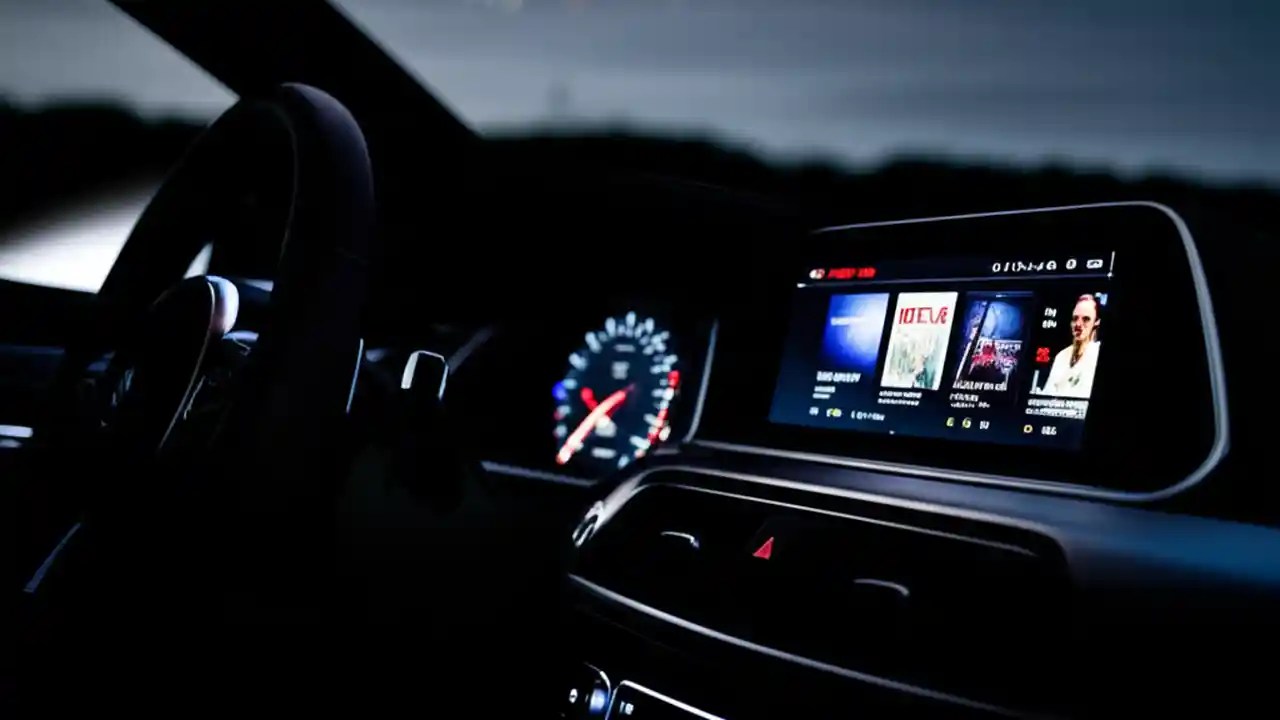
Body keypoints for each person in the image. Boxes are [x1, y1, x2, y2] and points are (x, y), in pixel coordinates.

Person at [1041, 294, 1101, 398]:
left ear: (1096, 322)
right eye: (1075, 318)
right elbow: (1047, 394)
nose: (1078, 324)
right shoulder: (1061, 356)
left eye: (1086, 319)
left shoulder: (1098, 354)